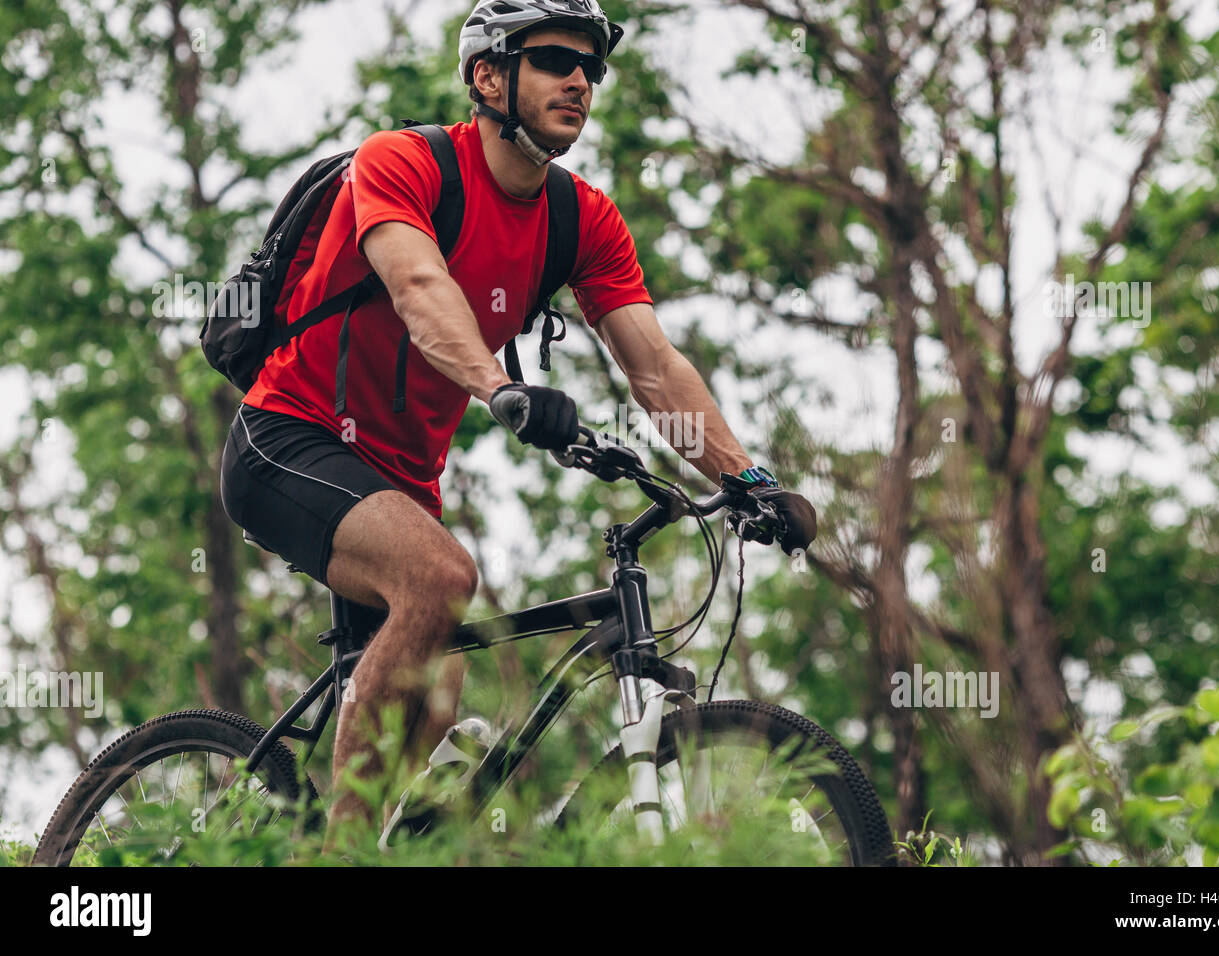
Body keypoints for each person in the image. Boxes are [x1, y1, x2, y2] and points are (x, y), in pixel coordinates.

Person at [218, 0, 818, 837]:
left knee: (441, 684)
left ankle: (382, 844)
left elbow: (654, 367)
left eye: (592, 68)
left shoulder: (582, 220)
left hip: (398, 485)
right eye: (554, 61)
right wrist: (499, 388)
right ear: (488, 76)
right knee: (439, 577)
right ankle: (340, 861)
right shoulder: (404, 163)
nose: (580, 80)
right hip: (286, 438)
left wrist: (745, 478)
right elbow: (420, 289)